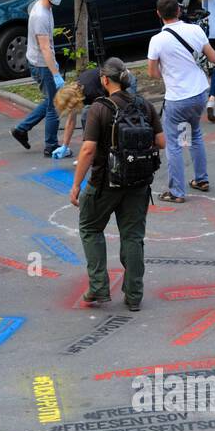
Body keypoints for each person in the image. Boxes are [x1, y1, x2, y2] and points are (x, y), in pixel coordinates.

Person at [71, 58, 164, 312]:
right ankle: (134, 294)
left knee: (90, 228)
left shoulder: (99, 109)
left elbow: (88, 150)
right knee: (133, 237)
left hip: (104, 182)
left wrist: (76, 185)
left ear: (104, 80)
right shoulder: (145, 106)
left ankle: (99, 288)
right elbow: (162, 142)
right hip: (139, 183)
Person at [147, 0, 215, 203]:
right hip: (200, 92)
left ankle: (176, 191)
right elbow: (213, 57)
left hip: (177, 97)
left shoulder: (157, 40)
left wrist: (168, 74)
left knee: (174, 144)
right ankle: (201, 179)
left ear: (158, 14)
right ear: (178, 10)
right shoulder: (195, 30)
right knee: (195, 134)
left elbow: (152, 72)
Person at [12, 0, 64, 156]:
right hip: (42, 65)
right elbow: (45, 48)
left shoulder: (44, 7)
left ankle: (21, 129)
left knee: (50, 100)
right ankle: (51, 146)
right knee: (55, 106)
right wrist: (55, 73)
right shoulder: (41, 15)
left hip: (40, 62)